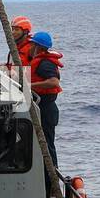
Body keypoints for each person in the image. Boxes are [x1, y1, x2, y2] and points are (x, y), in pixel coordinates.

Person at [26, 30, 62, 170]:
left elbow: (54, 82)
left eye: (32, 44)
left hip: (46, 108)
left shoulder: (44, 63)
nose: (29, 47)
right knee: (44, 143)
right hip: (42, 106)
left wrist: (29, 86)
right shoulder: (41, 61)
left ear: (38, 47)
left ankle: (51, 173)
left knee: (47, 144)